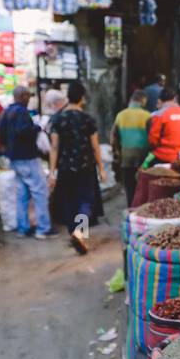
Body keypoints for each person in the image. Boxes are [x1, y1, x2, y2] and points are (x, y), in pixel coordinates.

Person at [48, 79, 106, 255]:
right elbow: (95, 146)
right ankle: (80, 233)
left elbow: (54, 147)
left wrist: (52, 172)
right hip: (85, 167)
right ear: (82, 98)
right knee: (86, 201)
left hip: (65, 168)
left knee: (70, 202)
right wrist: (101, 169)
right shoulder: (87, 119)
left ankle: (75, 233)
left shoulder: (58, 119)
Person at [0, 85, 54, 239]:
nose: (29, 99)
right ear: (22, 96)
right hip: (27, 157)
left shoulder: (6, 112)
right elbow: (24, 132)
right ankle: (43, 228)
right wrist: (37, 127)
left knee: (22, 193)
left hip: (14, 158)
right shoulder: (21, 112)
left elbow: (1, 136)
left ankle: (23, 228)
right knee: (40, 191)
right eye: (28, 96)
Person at [111, 89, 150, 206]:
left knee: (129, 185)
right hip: (144, 157)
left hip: (126, 157)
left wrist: (117, 153)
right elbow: (153, 137)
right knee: (143, 184)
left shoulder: (120, 115)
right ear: (143, 101)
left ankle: (131, 208)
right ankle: (142, 208)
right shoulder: (148, 116)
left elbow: (113, 138)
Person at [147, 86, 180, 164]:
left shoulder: (158, 115)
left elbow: (153, 139)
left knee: (143, 169)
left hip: (162, 156)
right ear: (175, 99)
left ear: (160, 100)